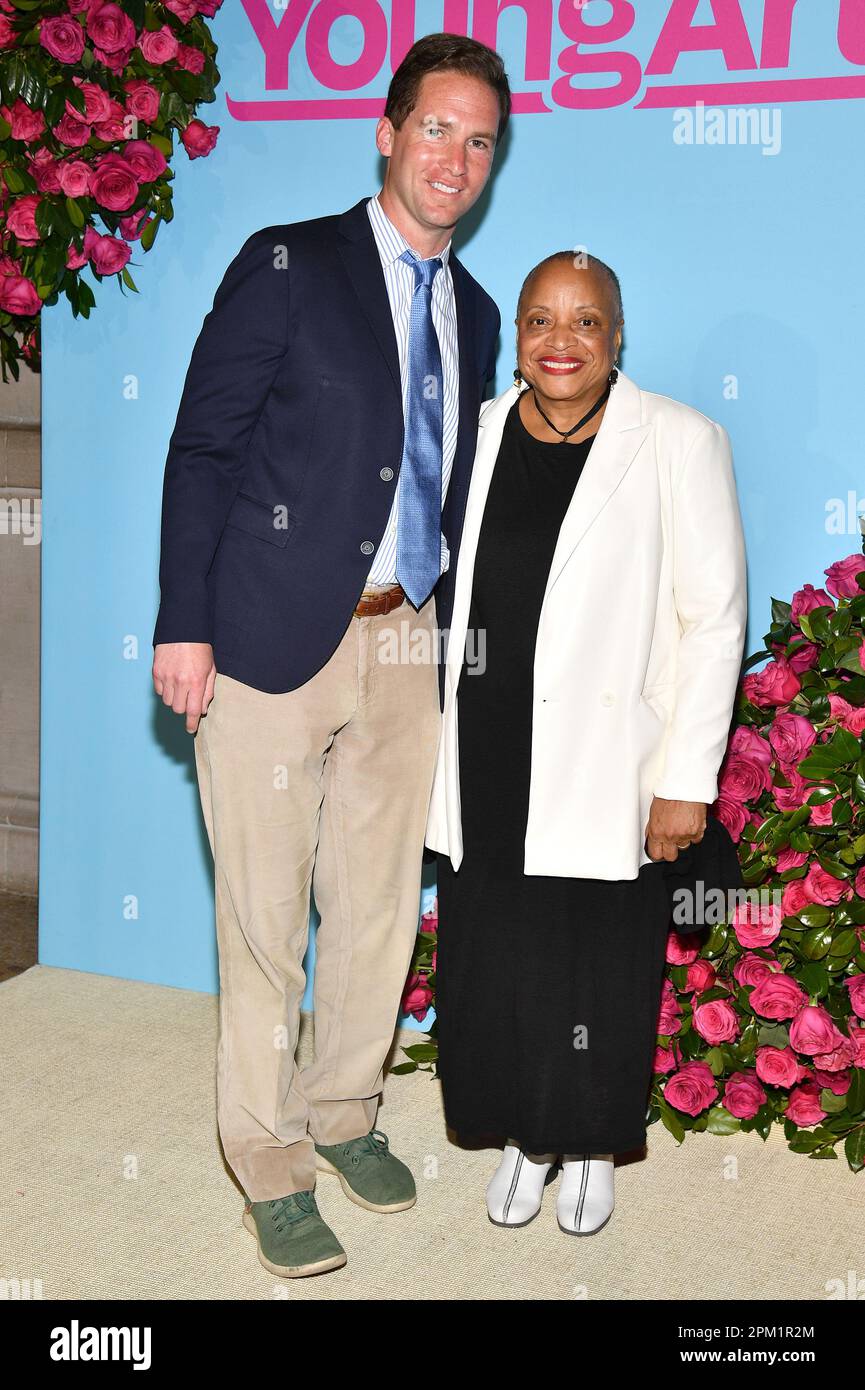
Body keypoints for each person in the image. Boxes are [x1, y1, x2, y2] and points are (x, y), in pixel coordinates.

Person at [151, 33, 511, 1278]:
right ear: (386, 129)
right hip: (263, 638)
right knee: (262, 916)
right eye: (435, 128)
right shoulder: (289, 262)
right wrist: (183, 623)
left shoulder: (473, 307)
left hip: (404, 639)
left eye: (478, 138)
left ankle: (345, 1109)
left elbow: (446, 487)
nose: (454, 157)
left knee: (371, 909)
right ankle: (267, 1158)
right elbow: (203, 449)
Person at [425, 250, 748, 1236]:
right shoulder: (473, 435)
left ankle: (596, 1144)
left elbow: (714, 618)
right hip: (484, 751)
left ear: (618, 337)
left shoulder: (680, 441)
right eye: (537, 320)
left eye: (584, 321)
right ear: (516, 337)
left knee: (600, 961)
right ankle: (525, 1134)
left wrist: (685, 781)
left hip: (614, 759)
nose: (559, 340)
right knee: (498, 955)